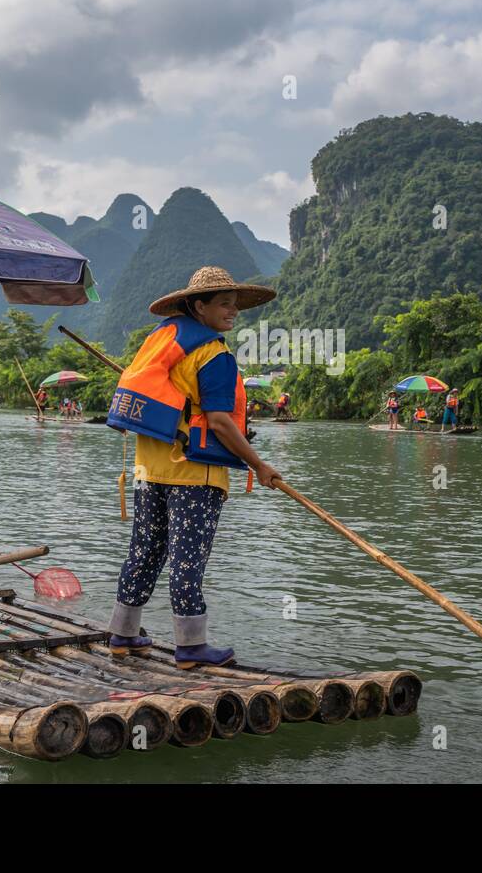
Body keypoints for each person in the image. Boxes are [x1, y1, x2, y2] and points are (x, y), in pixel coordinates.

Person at [105, 266, 282, 670]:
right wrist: (260, 465)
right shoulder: (214, 355)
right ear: (198, 306)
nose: (232, 311)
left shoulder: (160, 345)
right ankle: (191, 645)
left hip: (149, 471)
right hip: (194, 474)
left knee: (144, 551)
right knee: (188, 558)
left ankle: (123, 634)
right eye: (223, 304)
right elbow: (219, 421)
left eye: (235, 305)